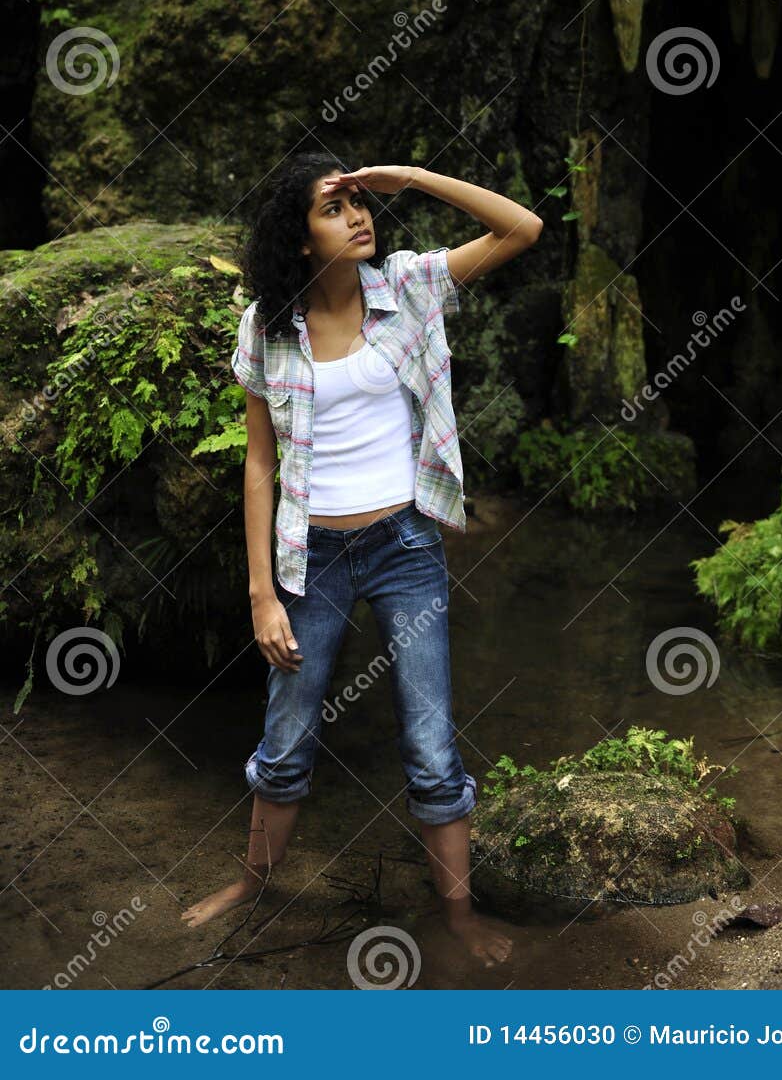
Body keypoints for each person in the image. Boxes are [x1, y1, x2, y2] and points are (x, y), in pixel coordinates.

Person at [180, 152, 542, 968]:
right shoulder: (264, 328)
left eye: (357, 203)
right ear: (300, 239)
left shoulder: (410, 286)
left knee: (429, 742)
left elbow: (522, 227)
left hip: (404, 548)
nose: (356, 218)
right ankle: (252, 886)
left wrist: (411, 178)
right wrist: (260, 596)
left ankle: (457, 918)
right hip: (313, 560)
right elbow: (259, 465)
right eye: (332, 208)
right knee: (287, 735)